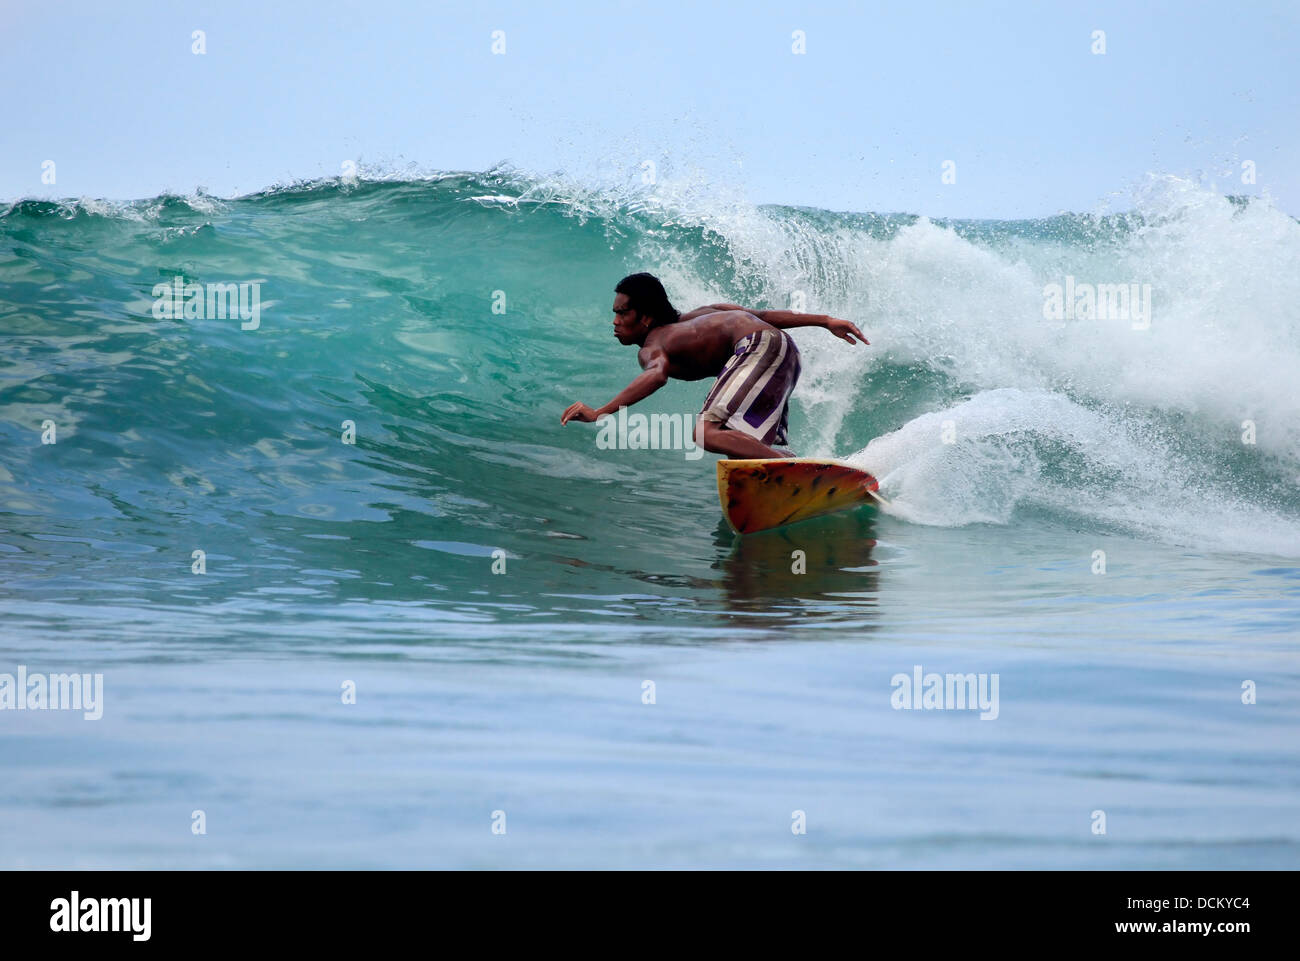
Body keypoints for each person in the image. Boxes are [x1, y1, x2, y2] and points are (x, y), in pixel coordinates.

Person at [561, 272, 868, 459]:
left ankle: (787, 465)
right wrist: (825, 321)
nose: (615, 321)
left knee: (706, 434)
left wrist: (601, 412)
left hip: (756, 348)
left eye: (622, 313)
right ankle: (788, 473)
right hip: (784, 352)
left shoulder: (654, 344)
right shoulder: (703, 314)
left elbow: (656, 376)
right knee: (744, 447)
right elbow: (762, 315)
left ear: (645, 317)